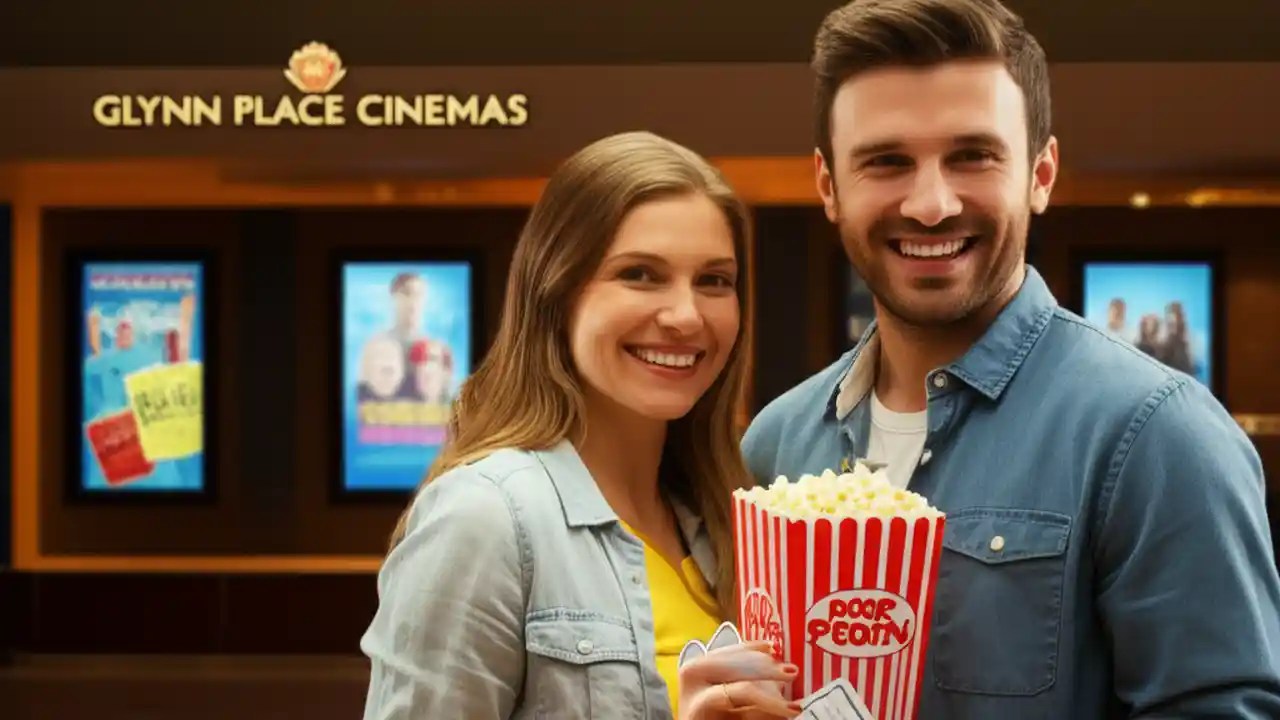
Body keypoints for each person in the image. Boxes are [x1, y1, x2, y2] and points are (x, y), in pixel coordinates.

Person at [741, 1, 1280, 718]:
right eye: (887, 162)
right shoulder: (777, 441)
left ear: (1042, 173)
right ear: (829, 187)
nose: (931, 204)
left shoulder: (1156, 436)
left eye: (973, 156)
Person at [360, 131, 800, 720]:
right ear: (557, 289)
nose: (686, 315)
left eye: (714, 280)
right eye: (640, 274)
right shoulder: (485, 518)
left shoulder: (721, 517)